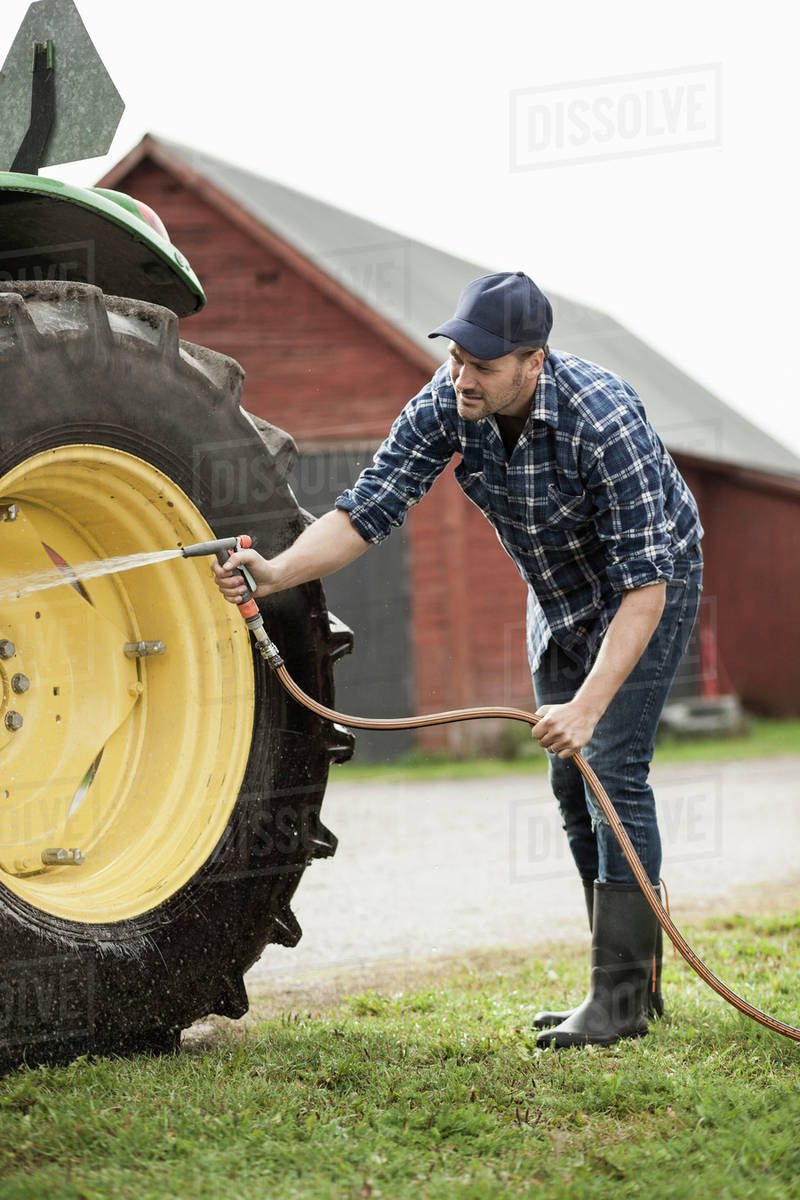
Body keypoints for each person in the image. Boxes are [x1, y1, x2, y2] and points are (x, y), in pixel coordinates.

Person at [213, 271, 704, 1049]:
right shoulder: (450, 402)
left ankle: (618, 1003)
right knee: (569, 786)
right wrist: (277, 571)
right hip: (557, 595)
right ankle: (630, 986)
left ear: (531, 362)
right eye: (455, 358)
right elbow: (365, 510)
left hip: (645, 591)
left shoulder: (603, 419)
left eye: (481, 364)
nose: (461, 377)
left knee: (609, 764)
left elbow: (644, 588)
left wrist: (585, 707)